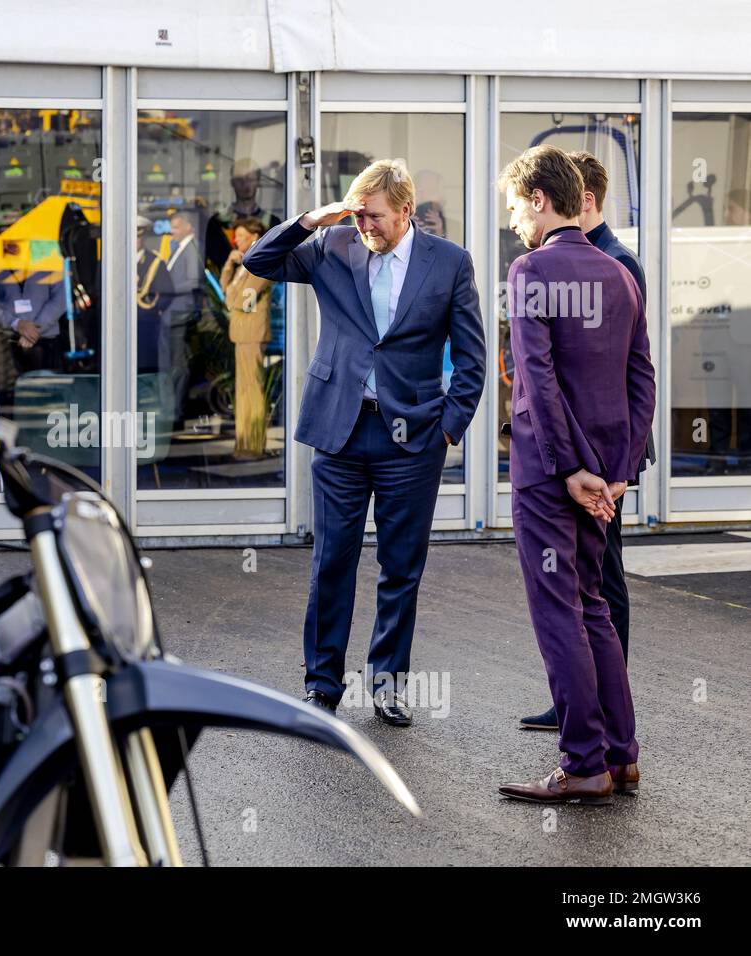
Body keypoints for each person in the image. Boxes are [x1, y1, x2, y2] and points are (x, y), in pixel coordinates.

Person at [243, 159, 485, 724]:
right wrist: (312, 220)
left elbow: (472, 359)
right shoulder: (334, 247)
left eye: (374, 217)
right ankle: (322, 684)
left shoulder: (449, 263)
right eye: (357, 216)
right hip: (339, 430)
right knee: (332, 561)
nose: (365, 228)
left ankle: (388, 686)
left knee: (401, 567)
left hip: (413, 438)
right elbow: (261, 259)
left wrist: (449, 427)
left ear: (405, 210)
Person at [496, 145, 655, 804]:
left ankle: (583, 763)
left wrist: (566, 471)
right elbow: (642, 378)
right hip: (600, 478)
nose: (514, 221)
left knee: (560, 613)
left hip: (549, 476)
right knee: (593, 609)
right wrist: (614, 474)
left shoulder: (530, 270)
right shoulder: (618, 275)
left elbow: (536, 378)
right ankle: (621, 757)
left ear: (539, 199)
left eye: (515, 207)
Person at [220, 218, 274, 459]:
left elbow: (240, 300)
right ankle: (244, 443)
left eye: (241, 236)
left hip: (252, 333)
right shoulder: (244, 263)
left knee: (252, 390)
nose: (236, 241)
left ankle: (253, 445)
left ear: (254, 237)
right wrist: (229, 266)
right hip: (241, 333)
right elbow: (226, 291)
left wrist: (231, 295)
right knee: (243, 391)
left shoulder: (260, 262)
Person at [161, 209, 202, 417]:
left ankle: (176, 410)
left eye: (176, 228)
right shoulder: (179, 248)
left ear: (188, 227)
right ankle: (172, 406)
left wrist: (166, 288)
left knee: (179, 364)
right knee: (173, 363)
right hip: (172, 313)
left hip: (181, 313)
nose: (172, 232)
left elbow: (194, 282)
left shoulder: (192, 249)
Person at [135, 216, 173, 373]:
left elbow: (166, 293)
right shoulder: (113, 260)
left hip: (146, 324)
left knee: (145, 370)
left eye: (136, 236)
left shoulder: (155, 261)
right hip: (118, 326)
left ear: (142, 237)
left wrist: (156, 311)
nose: (133, 241)